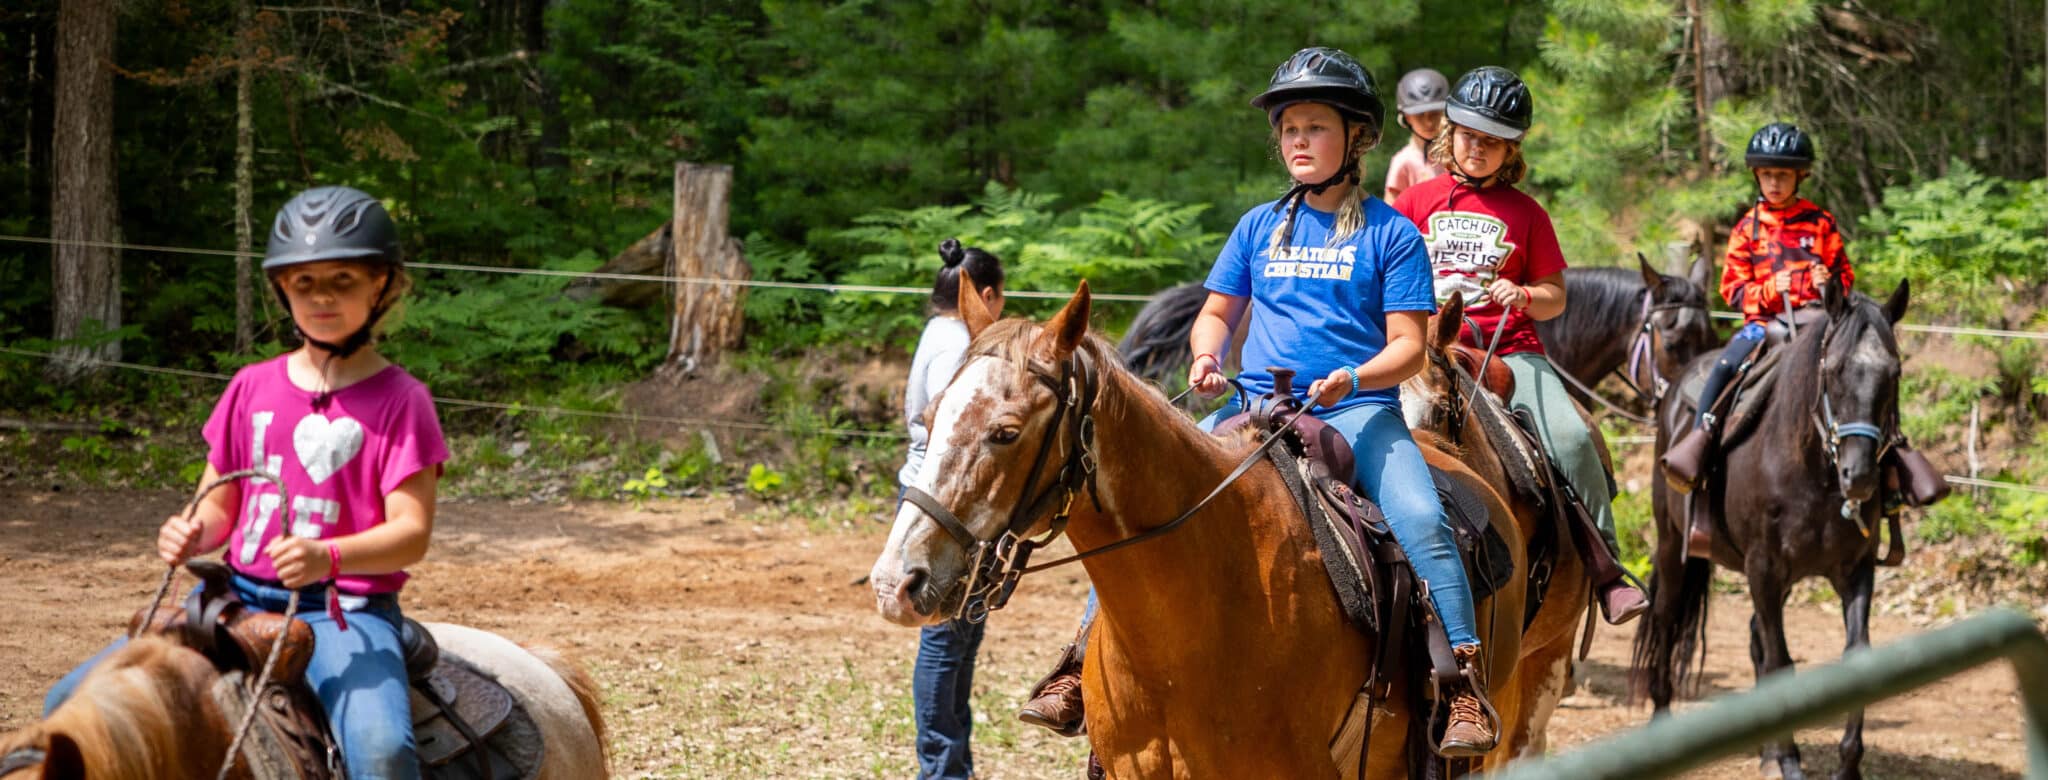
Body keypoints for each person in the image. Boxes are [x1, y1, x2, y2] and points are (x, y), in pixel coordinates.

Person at [42, 186, 447, 779]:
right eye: (304, 282)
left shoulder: (402, 400)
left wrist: (326, 555)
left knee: (382, 750)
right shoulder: (251, 386)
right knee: (66, 703)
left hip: (345, 614)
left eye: (342, 279)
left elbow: (410, 534)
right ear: (282, 288)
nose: (322, 296)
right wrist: (188, 533)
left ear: (381, 285)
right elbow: (218, 509)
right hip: (231, 605)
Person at [1392, 67, 1649, 625]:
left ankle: (1605, 569)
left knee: (1575, 438)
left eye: (1492, 142)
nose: (1478, 149)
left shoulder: (1528, 214)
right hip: (1422, 348)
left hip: (1511, 350)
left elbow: (1556, 297)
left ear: (1511, 150)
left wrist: (1527, 292)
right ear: (1448, 132)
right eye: (1469, 135)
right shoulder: (1413, 202)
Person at [1661, 122, 1853, 550]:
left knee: (1860, 375)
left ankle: (1890, 479)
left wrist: (1831, 281)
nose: (1774, 182)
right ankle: (1699, 447)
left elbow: (1846, 280)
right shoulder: (1747, 228)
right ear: (1756, 176)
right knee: (1723, 368)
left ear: (1799, 176)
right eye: (1767, 174)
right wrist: (1771, 289)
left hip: (1818, 324)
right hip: (1762, 326)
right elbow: (1731, 289)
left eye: (1783, 175)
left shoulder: (1821, 223)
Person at [901, 238, 1006, 780]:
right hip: (945, 506)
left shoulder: (940, 333)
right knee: (946, 642)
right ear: (984, 295)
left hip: (937, 500)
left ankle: (951, 766)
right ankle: (941, 769)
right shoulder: (956, 344)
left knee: (958, 637)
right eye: (1001, 299)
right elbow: (958, 437)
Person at [1384, 68, 1450, 202]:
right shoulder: (1403, 162)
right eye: (1420, 115)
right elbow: (1392, 210)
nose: (1429, 122)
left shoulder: (1456, 158)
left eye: (1435, 113)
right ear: (1407, 118)